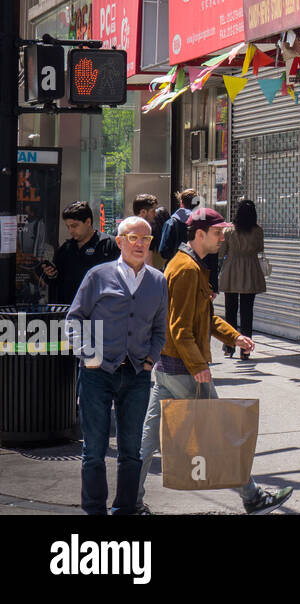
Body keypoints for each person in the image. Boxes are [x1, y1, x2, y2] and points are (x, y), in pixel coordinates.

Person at [136, 207, 292, 514]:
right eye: (218, 233)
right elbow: (179, 329)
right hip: (183, 371)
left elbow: (201, 318)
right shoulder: (187, 269)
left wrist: (233, 336)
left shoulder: (188, 264)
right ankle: (253, 497)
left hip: (169, 369)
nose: (223, 237)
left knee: (148, 440)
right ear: (199, 235)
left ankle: (128, 500)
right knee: (220, 434)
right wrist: (199, 368)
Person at [65, 216, 168, 515]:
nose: (139, 244)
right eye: (133, 238)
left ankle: (124, 509)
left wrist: (151, 359)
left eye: (145, 239)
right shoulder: (98, 275)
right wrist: (89, 355)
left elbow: (160, 329)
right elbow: (75, 318)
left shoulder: (158, 280)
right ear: (120, 241)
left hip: (136, 374)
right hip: (98, 373)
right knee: (94, 451)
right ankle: (94, 510)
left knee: (131, 451)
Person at [42, 201, 120, 304]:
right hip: (70, 310)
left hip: (100, 311)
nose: (71, 231)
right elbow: (56, 283)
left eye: (74, 226)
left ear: (88, 222)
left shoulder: (109, 245)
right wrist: (51, 274)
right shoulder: (65, 249)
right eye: (68, 227)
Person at [219, 199, 267, 361]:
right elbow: (260, 248)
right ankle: (246, 349)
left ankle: (229, 346)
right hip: (251, 270)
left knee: (230, 310)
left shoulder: (229, 231)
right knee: (247, 312)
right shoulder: (258, 231)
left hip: (231, 270)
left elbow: (221, 251)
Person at [157, 189, 199, 262]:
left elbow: (164, 251)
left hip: (176, 265)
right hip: (198, 265)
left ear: (181, 203)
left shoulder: (171, 223)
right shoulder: (204, 222)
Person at [131, 194, 165, 271]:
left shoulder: (125, 229)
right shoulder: (147, 232)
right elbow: (148, 262)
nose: (155, 214)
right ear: (143, 212)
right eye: (153, 211)